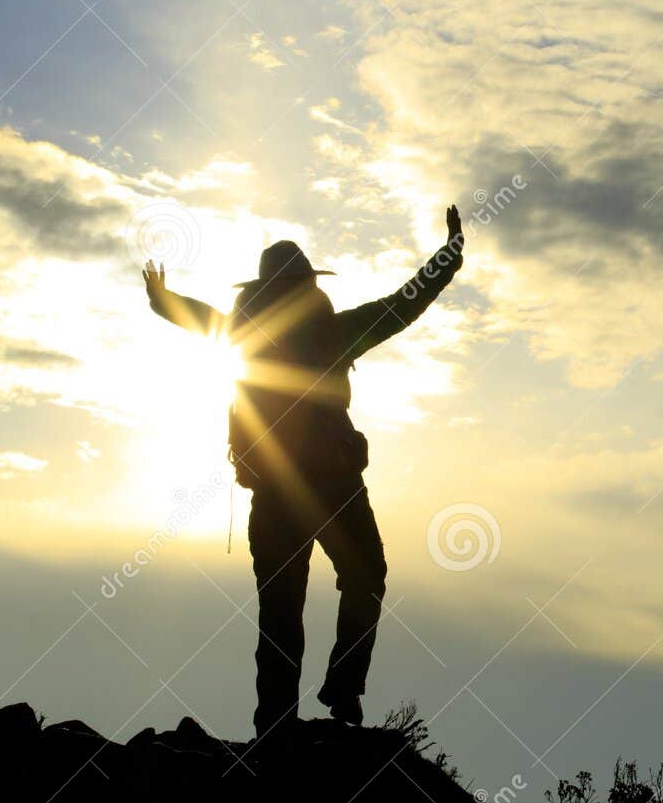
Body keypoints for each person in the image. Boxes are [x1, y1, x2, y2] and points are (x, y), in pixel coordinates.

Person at [142, 205, 465, 739]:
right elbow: (405, 304)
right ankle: (340, 691)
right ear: (308, 288)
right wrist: (448, 257)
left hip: (272, 495)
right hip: (333, 486)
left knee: (280, 614)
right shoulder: (333, 334)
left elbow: (193, 316)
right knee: (362, 579)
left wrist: (161, 299)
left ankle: (275, 727)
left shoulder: (240, 335)